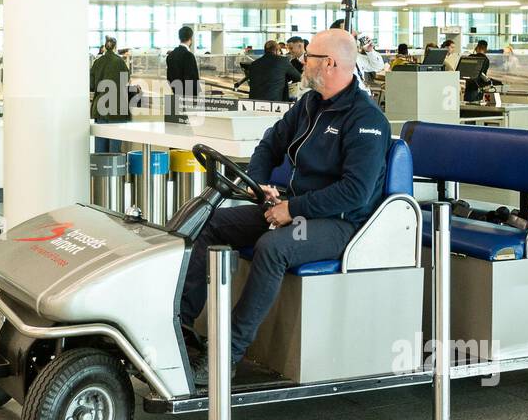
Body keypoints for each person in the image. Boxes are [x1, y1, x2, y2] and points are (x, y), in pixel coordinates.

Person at [179, 29, 392, 386]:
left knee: (273, 248)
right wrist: (261, 184)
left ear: (330, 63)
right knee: (208, 223)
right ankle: (182, 325)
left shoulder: (366, 119)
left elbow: (355, 192)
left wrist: (293, 209)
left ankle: (228, 354)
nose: (301, 62)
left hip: (341, 224)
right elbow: (269, 143)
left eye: (308, 57)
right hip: (293, 209)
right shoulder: (309, 105)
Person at [90, 36, 130, 153]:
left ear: (105, 47)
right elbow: (125, 80)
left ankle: (100, 171)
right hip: (116, 108)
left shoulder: (97, 62)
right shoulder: (120, 62)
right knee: (114, 150)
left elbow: (91, 84)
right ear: (115, 47)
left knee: (100, 150)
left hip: (99, 108)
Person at [236, 39, 302, 102]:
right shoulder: (282, 61)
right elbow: (298, 77)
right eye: (279, 51)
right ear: (276, 50)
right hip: (275, 104)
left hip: (254, 102)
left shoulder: (254, 64)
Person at [165, 25, 199, 104]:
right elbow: (192, 79)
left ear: (179, 38)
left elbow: (169, 77)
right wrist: (195, 99)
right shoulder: (189, 55)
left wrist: (175, 91)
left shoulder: (170, 55)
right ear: (191, 39)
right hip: (188, 99)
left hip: (176, 95)